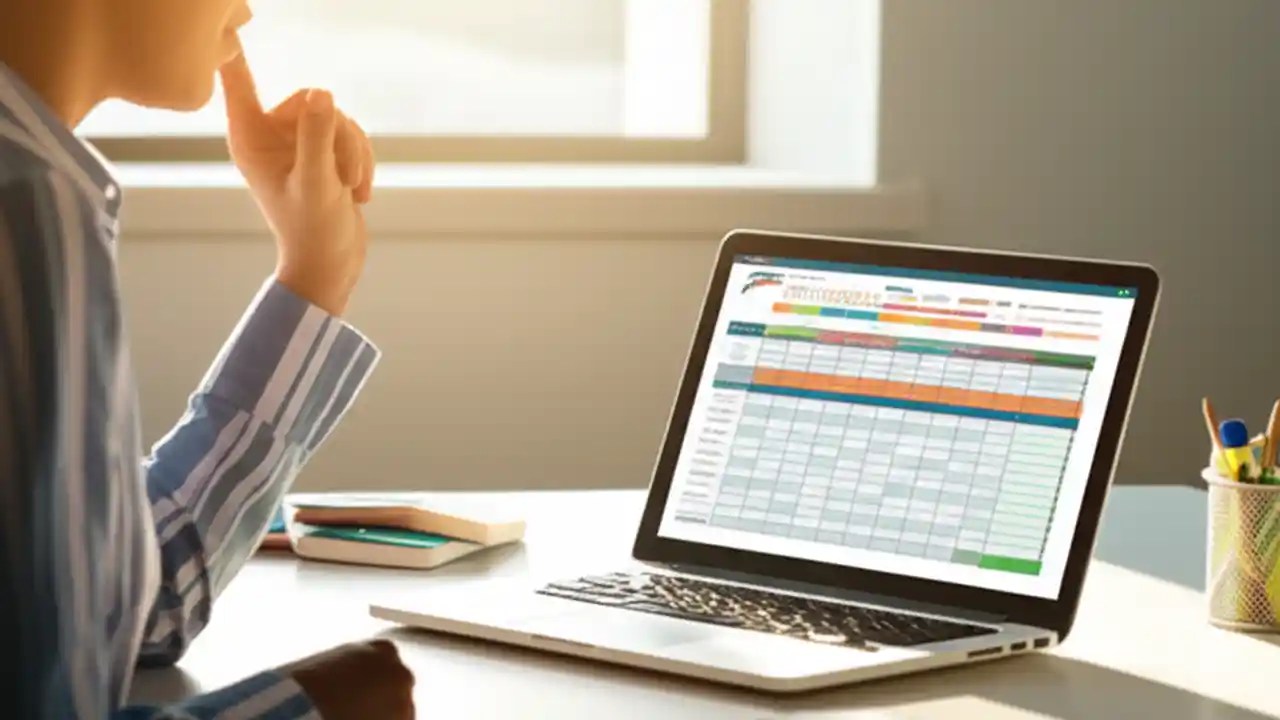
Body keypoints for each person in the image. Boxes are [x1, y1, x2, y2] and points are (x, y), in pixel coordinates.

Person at [0, 0, 415, 717]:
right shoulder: (29, 203)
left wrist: (315, 272)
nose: (247, 11)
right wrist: (308, 710)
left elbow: (107, 612)